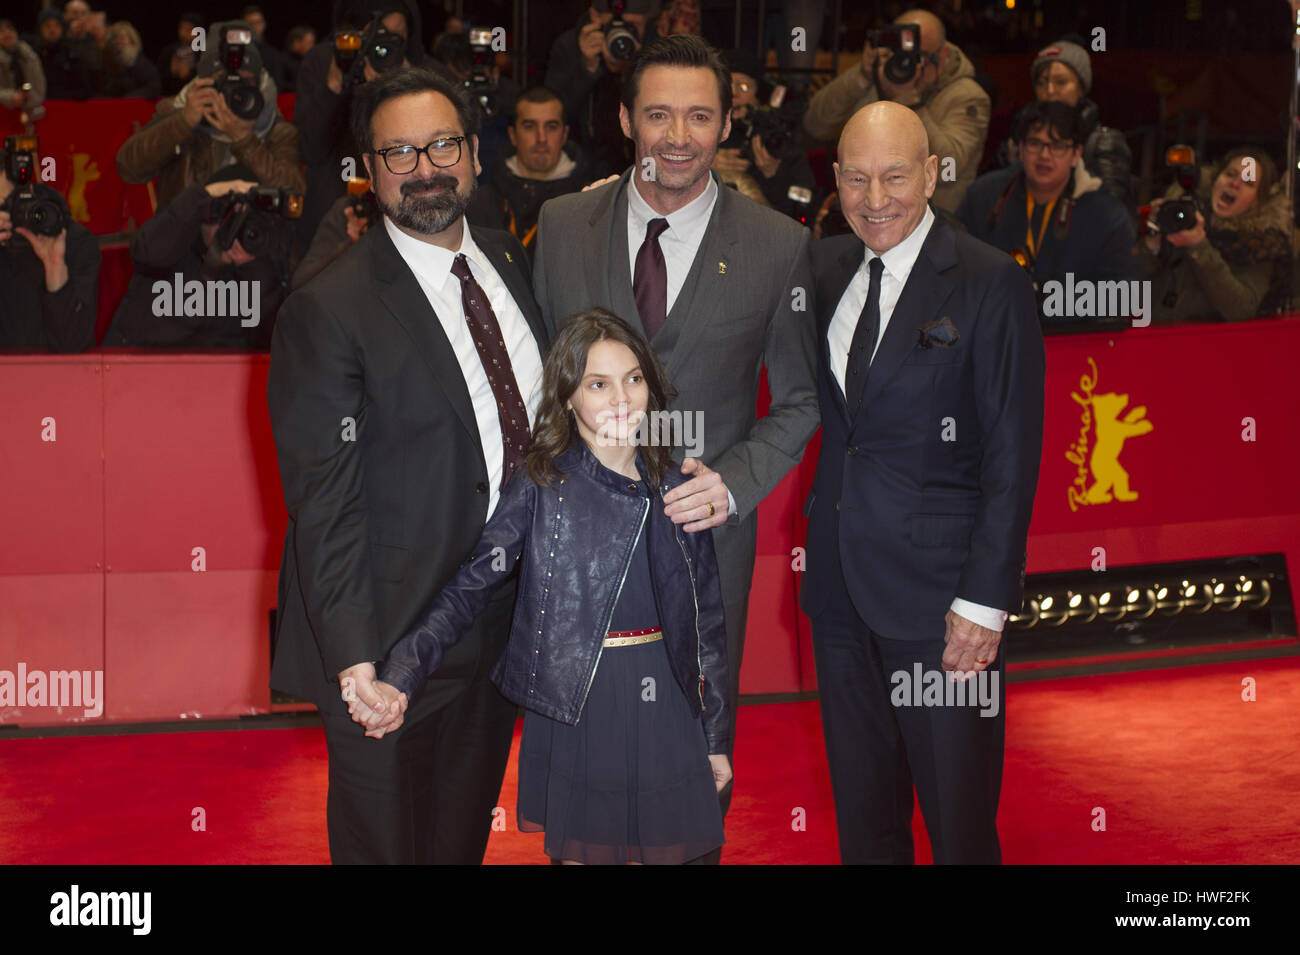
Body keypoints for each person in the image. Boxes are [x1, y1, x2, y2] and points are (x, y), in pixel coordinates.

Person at [533, 34, 819, 863]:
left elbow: (799, 400)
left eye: (699, 115)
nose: (678, 136)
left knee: (693, 785)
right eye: (658, 114)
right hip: (578, 560)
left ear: (727, 122)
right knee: (580, 801)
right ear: (625, 119)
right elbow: (537, 384)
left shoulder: (777, 244)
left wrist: (733, 482)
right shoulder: (561, 225)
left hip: (702, 558)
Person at [267, 66, 549, 865]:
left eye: (442, 145)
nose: (424, 168)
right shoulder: (327, 309)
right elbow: (324, 499)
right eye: (398, 153)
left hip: (500, 626)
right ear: (368, 170)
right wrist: (357, 661)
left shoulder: (508, 261)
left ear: (475, 154)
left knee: (457, 843)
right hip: (389, 645)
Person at [360, 309, 733, 865]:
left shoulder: (681, 488)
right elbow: (470, 587)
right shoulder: (541, 486)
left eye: (634, 378)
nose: (622, 398)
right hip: (579, 706)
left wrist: (716, 735)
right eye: (598, 383)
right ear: (567, 398)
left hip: (667, 703)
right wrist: (402, 671)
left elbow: (707, 622)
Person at [802, 101, 1044, 864]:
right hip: (840, 599)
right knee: (865, 825)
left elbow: (1013, 454)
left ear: (934, 174)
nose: (875, 200)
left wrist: (984, 601)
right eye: (857, 179)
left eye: (895, 177)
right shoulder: (826, 267)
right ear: (835, 179)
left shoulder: (987, 282)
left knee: (958, 821)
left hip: (944, 610)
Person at [957, 100, 1138, 319]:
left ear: (1076, 154)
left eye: (1058, 146)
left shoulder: (1107, 213)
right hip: (994, 333)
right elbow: (954, 273)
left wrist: (1051, 303)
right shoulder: (984, 196)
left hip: (1075, 340)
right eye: (1035, 143)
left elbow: (1125, 295)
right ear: (1021, 149)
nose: (1045, 155)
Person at [803, 8, 989, 214]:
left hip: (933, 225)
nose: (907, 64)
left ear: (943, 55)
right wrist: (862, 76)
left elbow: (948, 170)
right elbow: (815, 125)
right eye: (899, 54)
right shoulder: (883, 77)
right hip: (869, 214)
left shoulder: (968, 96)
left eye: (919, 57)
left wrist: (908, 103)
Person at [116, 21, 304, 211]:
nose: (234, 91)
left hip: (251, 234)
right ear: (205, 80)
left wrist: (246, 141)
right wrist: (183, 123)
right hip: (187, 233)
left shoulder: (274, 127)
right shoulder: (177, 110)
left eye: (245, 82)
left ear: (259, 83)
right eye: (224, 81)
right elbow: (129, 168)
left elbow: (294, 195)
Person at [102, 165, 294, 349]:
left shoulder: (260, 264)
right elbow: (145, 254)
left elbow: (270, 340)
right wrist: (201, 197)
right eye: (227, 217)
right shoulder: (174, 241)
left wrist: (252, 268)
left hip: (218, 377)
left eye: (245, 223)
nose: (233, 231)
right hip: (140, 370)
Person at [293, 1, 423, 251]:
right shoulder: (324, 61)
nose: (381, 48)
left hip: (405, 221)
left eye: (394, 38)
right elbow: (309, 149)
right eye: (373, 37)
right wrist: (335, 85)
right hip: (330, 219)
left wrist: (405, 85)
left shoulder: (419, 70)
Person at [1140, 149, 1291, 322]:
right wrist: (1152, 242)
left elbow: (1241, 309)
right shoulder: (1183, 216)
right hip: (1151, 336)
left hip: (1214, 344)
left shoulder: (1261, 245)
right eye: (1230, 174)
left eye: (1248, 182)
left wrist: (1199, 247)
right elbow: (1123, 291)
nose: (1235, 184)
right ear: (1215, 180)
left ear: (1258, 202)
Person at [466, 87, 593, 260]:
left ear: (564, 135)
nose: (541, 138)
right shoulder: (478, 204)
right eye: (529, 126)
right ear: (512, 134)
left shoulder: (589, 201)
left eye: (551, 126)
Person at [0, 140, 99, 351]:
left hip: (54, 378)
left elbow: (75, 346)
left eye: (10, 202)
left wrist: (56, 273)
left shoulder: (71, 241)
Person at [1009, 39, 1133, 205]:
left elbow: (1109, 210)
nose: (1050, 91)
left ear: (1081, 88)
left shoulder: (1103, 142)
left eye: (1061, 82)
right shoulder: (1018, 137)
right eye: (1042, 83)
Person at [545, 2, 660, 178]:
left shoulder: (658, 47)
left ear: (647, 19)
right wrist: (587, 68)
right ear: (595, 17)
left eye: (633, 27)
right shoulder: (571, 46)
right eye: (612, 27)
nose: (623, 36)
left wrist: (638, 66)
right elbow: (554, 118)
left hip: (645, 163)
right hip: (583, 163)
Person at [713, 48, 817, 221]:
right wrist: (706, 165)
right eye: (727, 86)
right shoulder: (703, 138)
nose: (734, 94)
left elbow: (804, 213)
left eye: (743, 87)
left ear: (758, 95)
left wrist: (775, 176)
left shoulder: (778, 142)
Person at [32, 10, 93, 100]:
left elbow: (85, 90)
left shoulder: (72, 54)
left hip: (68, 107)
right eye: (47, 26)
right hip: (40, 106)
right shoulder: (32, 55)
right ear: (40, 29)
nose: (52, 30)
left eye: (57, 25)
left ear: (62, 28)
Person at [96, 21, 159, 98]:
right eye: (115, 38)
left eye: (122, 38)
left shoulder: (142, 64)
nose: (118, 41)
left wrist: (130, 97)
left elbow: (153, 88)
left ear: (132, 40)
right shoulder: (108, 63)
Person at [0, 20, 45, 118]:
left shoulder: (29, 55)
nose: (7, 33)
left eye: (10, 29)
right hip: (4, 111)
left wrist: (30, 97)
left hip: (31, 108)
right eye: (2, 31)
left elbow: (40, 85)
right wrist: (11, 97)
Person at [283, 25, 316, 92]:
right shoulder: (281, 61)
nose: (312, 47)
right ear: (296, 43)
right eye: (309, 43)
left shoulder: (308, 61)